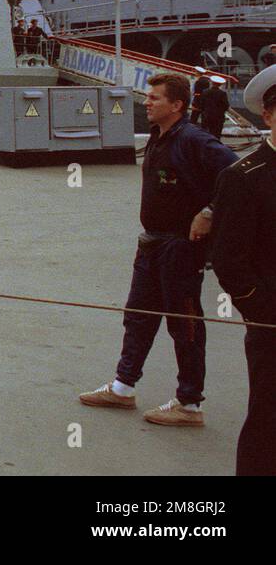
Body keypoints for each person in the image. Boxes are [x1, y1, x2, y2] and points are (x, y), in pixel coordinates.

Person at [79, 72, 236, 426]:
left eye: (155, 98)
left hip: (180, 249)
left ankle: (189, 404)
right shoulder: (159, 136)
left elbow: (237, 171)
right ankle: (122, 387)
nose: (147, 102)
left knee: (185, 325)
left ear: (176, 105)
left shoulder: (194, 139)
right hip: (151, 243)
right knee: (138, 316)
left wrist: (209, 212)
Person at [209, 64, 276, 474]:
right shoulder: (244, 177)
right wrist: (265, 315)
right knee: (268, 423)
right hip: (273, 327)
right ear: (267, 114)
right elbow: (229, 261)